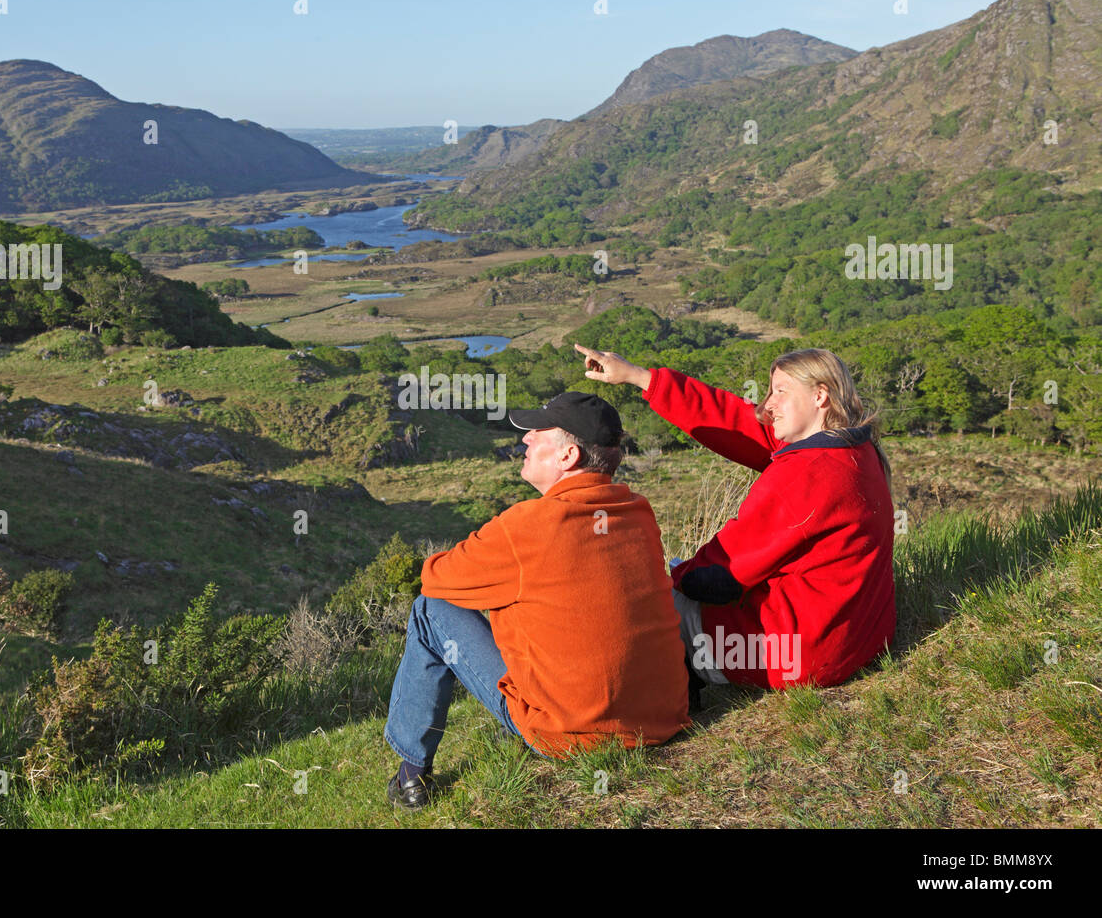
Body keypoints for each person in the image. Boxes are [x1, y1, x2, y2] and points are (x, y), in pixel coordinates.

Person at [383, 391, 690, 810]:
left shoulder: (529, 524)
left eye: (536, 433)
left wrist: (496, 581)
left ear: (568, 455)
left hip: (567, 735)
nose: (525, 440)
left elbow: (435, 579)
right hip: (660, 720)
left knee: (429, 610)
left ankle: (411, 772)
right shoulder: (637, 511)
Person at [575, 344, 895, 698]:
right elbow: (736, 422)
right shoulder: (854, 448)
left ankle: (664, 688)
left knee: (655, 607)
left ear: (820, 396)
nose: (767, 404)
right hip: (859, 636)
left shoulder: (806, 474)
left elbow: (720, 574)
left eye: (780, 392)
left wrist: (670, 581)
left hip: (801, 653)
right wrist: (639, 376)